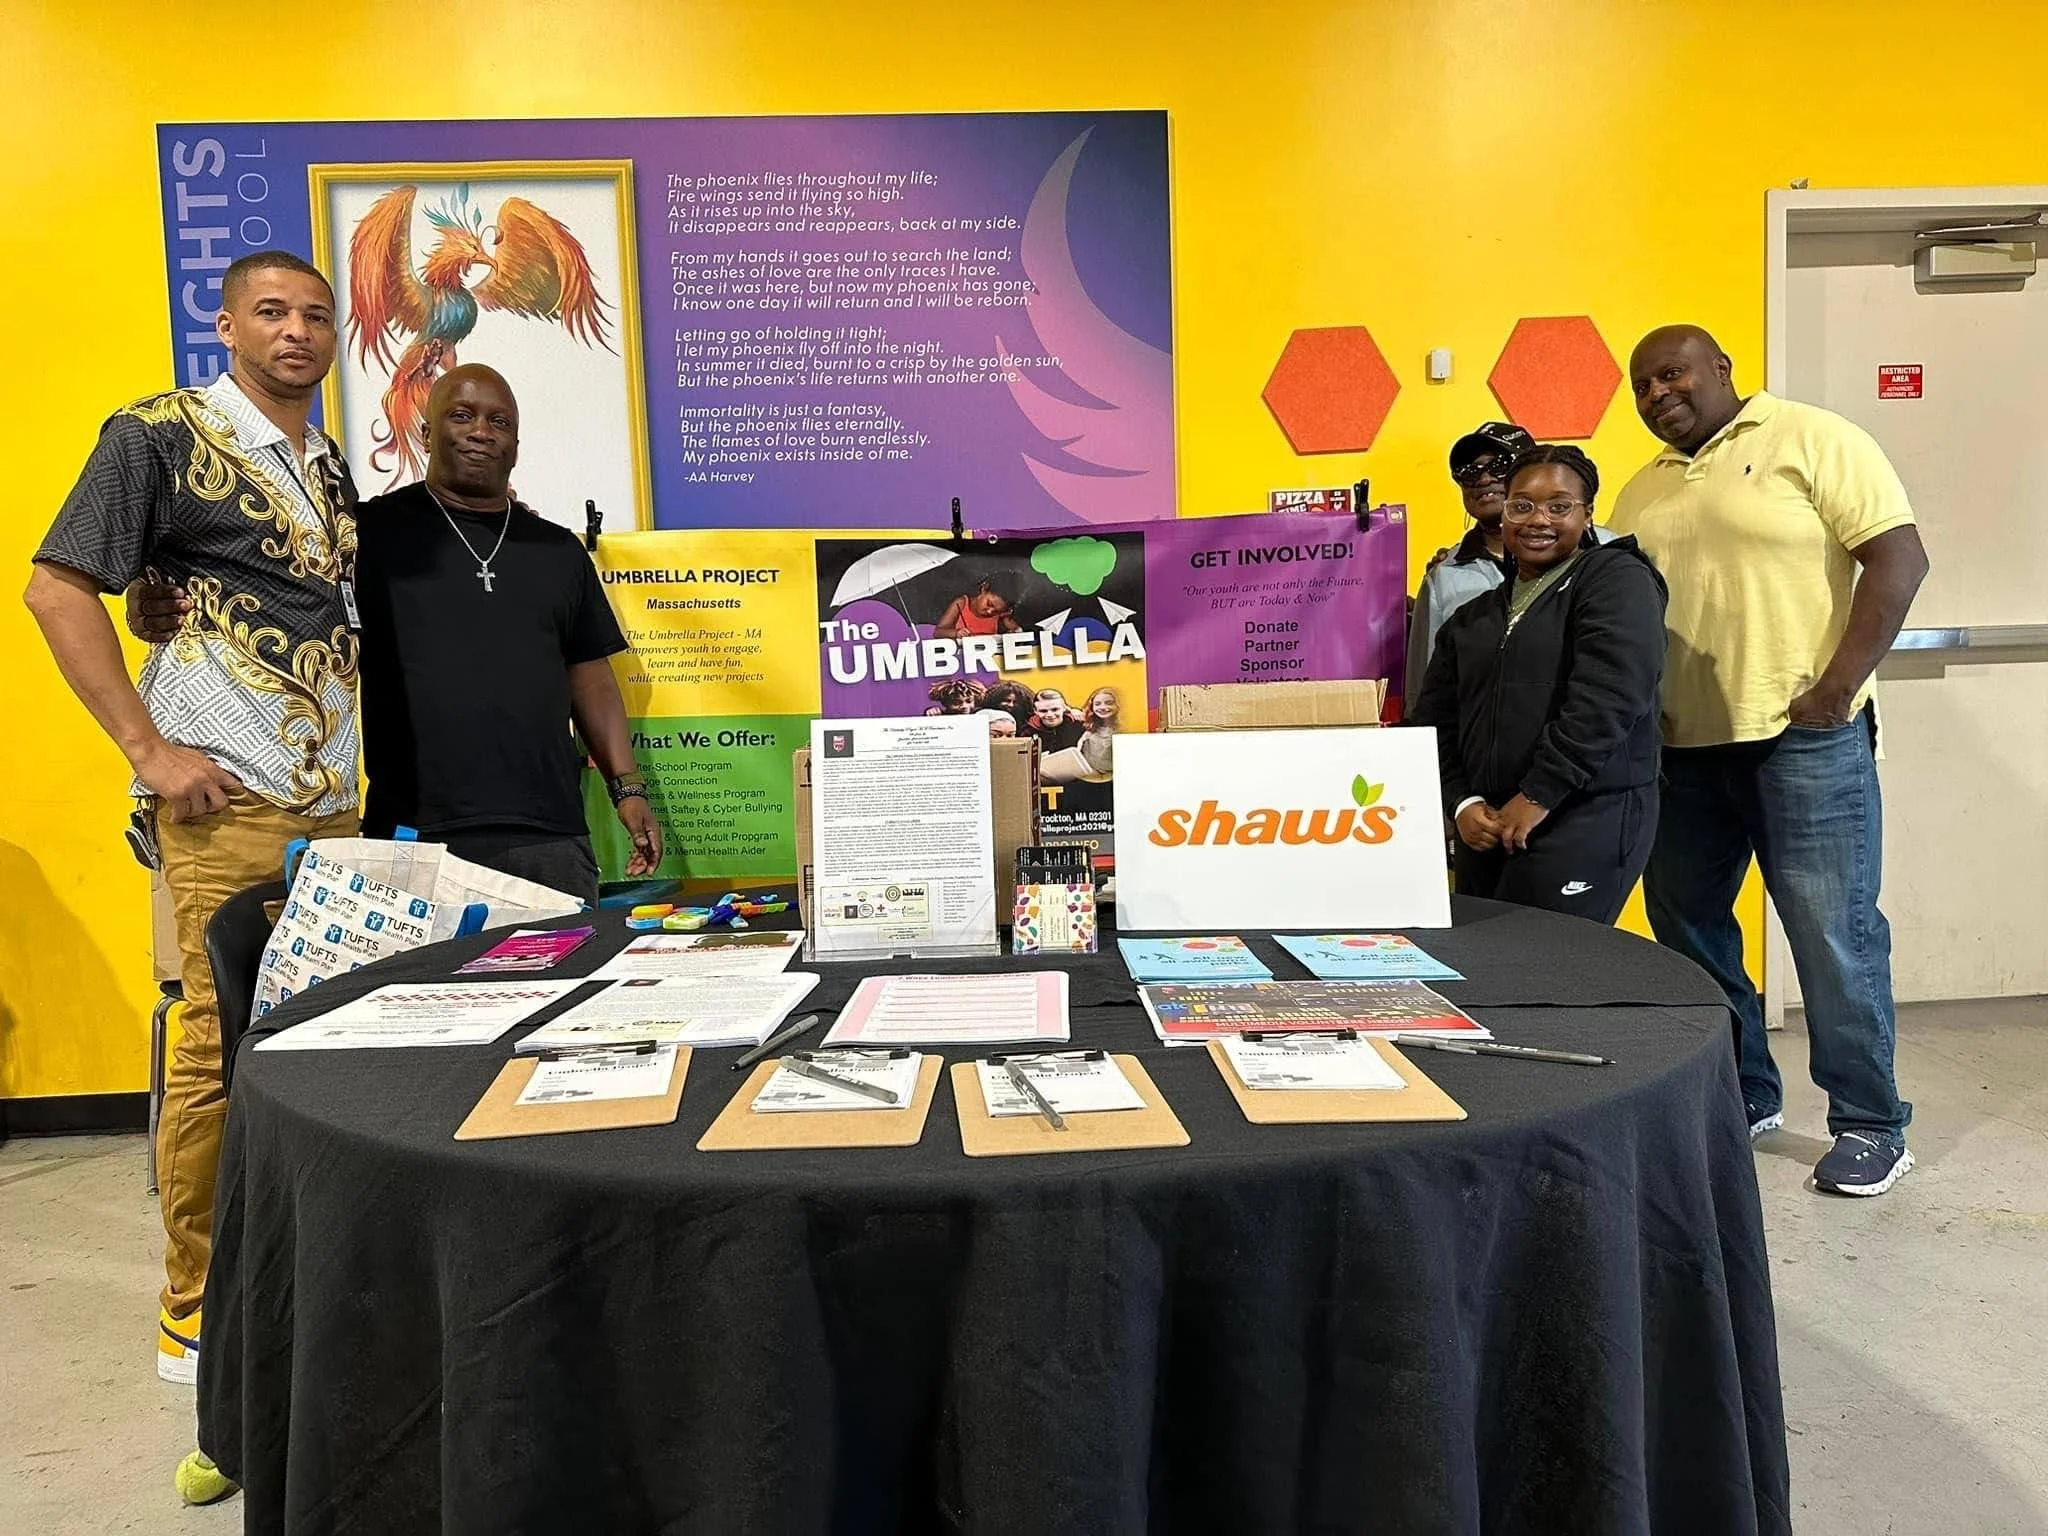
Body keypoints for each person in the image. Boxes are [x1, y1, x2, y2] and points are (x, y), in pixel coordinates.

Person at [24, 251, 356, 1499]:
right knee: (219, 1046)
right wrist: (150, 751)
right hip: (227, 792)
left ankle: (280, 1277)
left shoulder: (321, 461)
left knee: (309, 1045)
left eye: (317, 315)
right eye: (272, 311)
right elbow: (58, 588)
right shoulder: (159, 434)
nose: (298, 331)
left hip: (328, 799)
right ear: (225, 325)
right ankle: (193, 1308)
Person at [133, 365, 663, 906]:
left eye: (499, 421)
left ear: (516, 445)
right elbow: (267, 593)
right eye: (462, 415)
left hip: (551, 833)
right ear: (428, 433)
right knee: (417, 994)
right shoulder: (365, 534)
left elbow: (590, 676)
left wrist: (627, 787)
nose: (481, 431)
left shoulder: (559, 551)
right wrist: (153, 599)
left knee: (571, 984)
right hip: (414, 836)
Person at [1609, 324, 1930, 1197]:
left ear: (1721, 368)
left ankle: (1870, 1122)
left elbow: (1899, 560)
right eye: (1640, 386)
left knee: (1832, 934)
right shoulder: (1639, 491)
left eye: (1669, 374)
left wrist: (1837, 688)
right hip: (1682, 751)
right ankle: (1746, 1091)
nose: (1655, 395)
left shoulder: (1812, 437)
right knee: (1689, 929)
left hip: (1804, 738)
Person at [1409, 446, 1666, 923]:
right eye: (1521, 505)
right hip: (1485, 828)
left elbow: (1608, 697)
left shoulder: (1617, 579)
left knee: (1554, 971)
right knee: (1489, 971)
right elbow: (1432, 722)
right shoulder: (1473, 617)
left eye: (1559, 505)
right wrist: (1461, 804)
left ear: (1587, 514)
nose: (1537, 519)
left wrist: (1537, 795)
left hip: (1581, 815)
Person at [1404, 421, 1535, 700]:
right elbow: (1425, 693)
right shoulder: (1444, 577)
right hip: (1481, 740)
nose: (1483, 479)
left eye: (1499, 464)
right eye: (1469, 471)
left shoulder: (1593, 549)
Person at [933, 576, 1020, 638]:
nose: (990, 611)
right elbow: (938, 632)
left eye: (996, 611)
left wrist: (1007, 619)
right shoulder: (961, 604)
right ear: (984, 589)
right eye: (989, 604)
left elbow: (1018, 632)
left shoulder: (1000, 615)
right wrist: (956, 633)